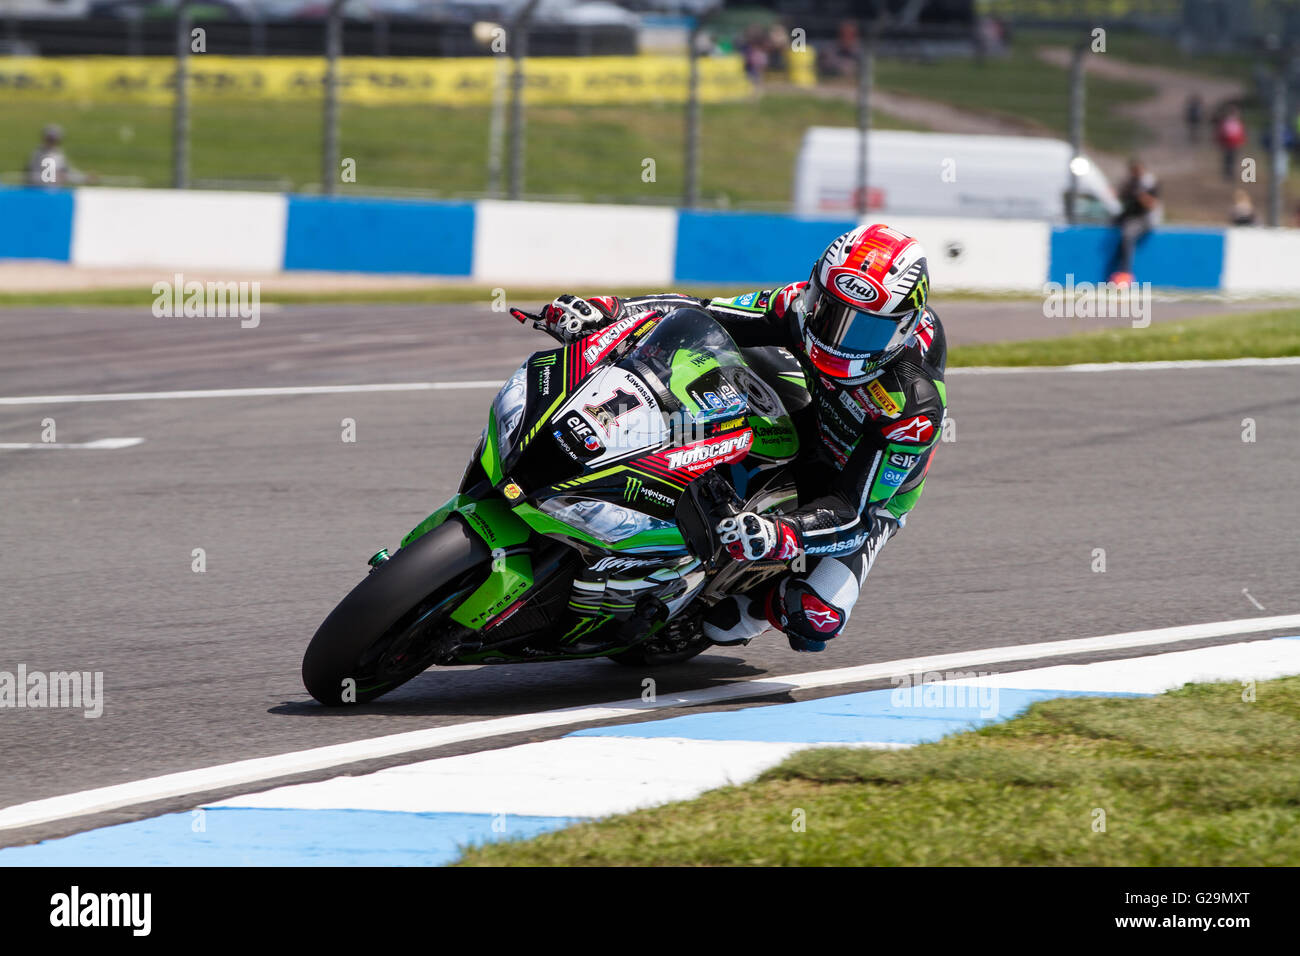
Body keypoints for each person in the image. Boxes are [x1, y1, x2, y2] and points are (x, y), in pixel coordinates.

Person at [514, 224, 946, 653]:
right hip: (807, 412)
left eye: (863, 332)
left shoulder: (911, 406)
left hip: (856, 480)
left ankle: (746, 610)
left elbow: (854, 512)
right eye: (831, 314)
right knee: (697, 367)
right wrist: (610, 309)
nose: (837, 339)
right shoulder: (798, 307)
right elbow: (701, 311)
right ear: (816, 293)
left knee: (816, 615)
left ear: (902, 329)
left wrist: (784, 532)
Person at [1110, 158, 1161, 284]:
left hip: (1146, 218)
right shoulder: (1130, 182)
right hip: (1131, 216)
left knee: (1128, 234)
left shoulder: (1149, 182)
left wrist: (1139, 194)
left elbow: (1151, 204)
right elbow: (1119, 196)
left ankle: (1125, 273)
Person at [1216, 105, 1246, 182]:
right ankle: (1227, 175)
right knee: (1227, 160)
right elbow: (1222, 133)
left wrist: (1241, 142)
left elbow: (1241, 133)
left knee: (1233, 159)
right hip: (1227, 144)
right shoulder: (1226, 122)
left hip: (1235, 144)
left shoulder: (1237, 122)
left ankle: (1231, 174)